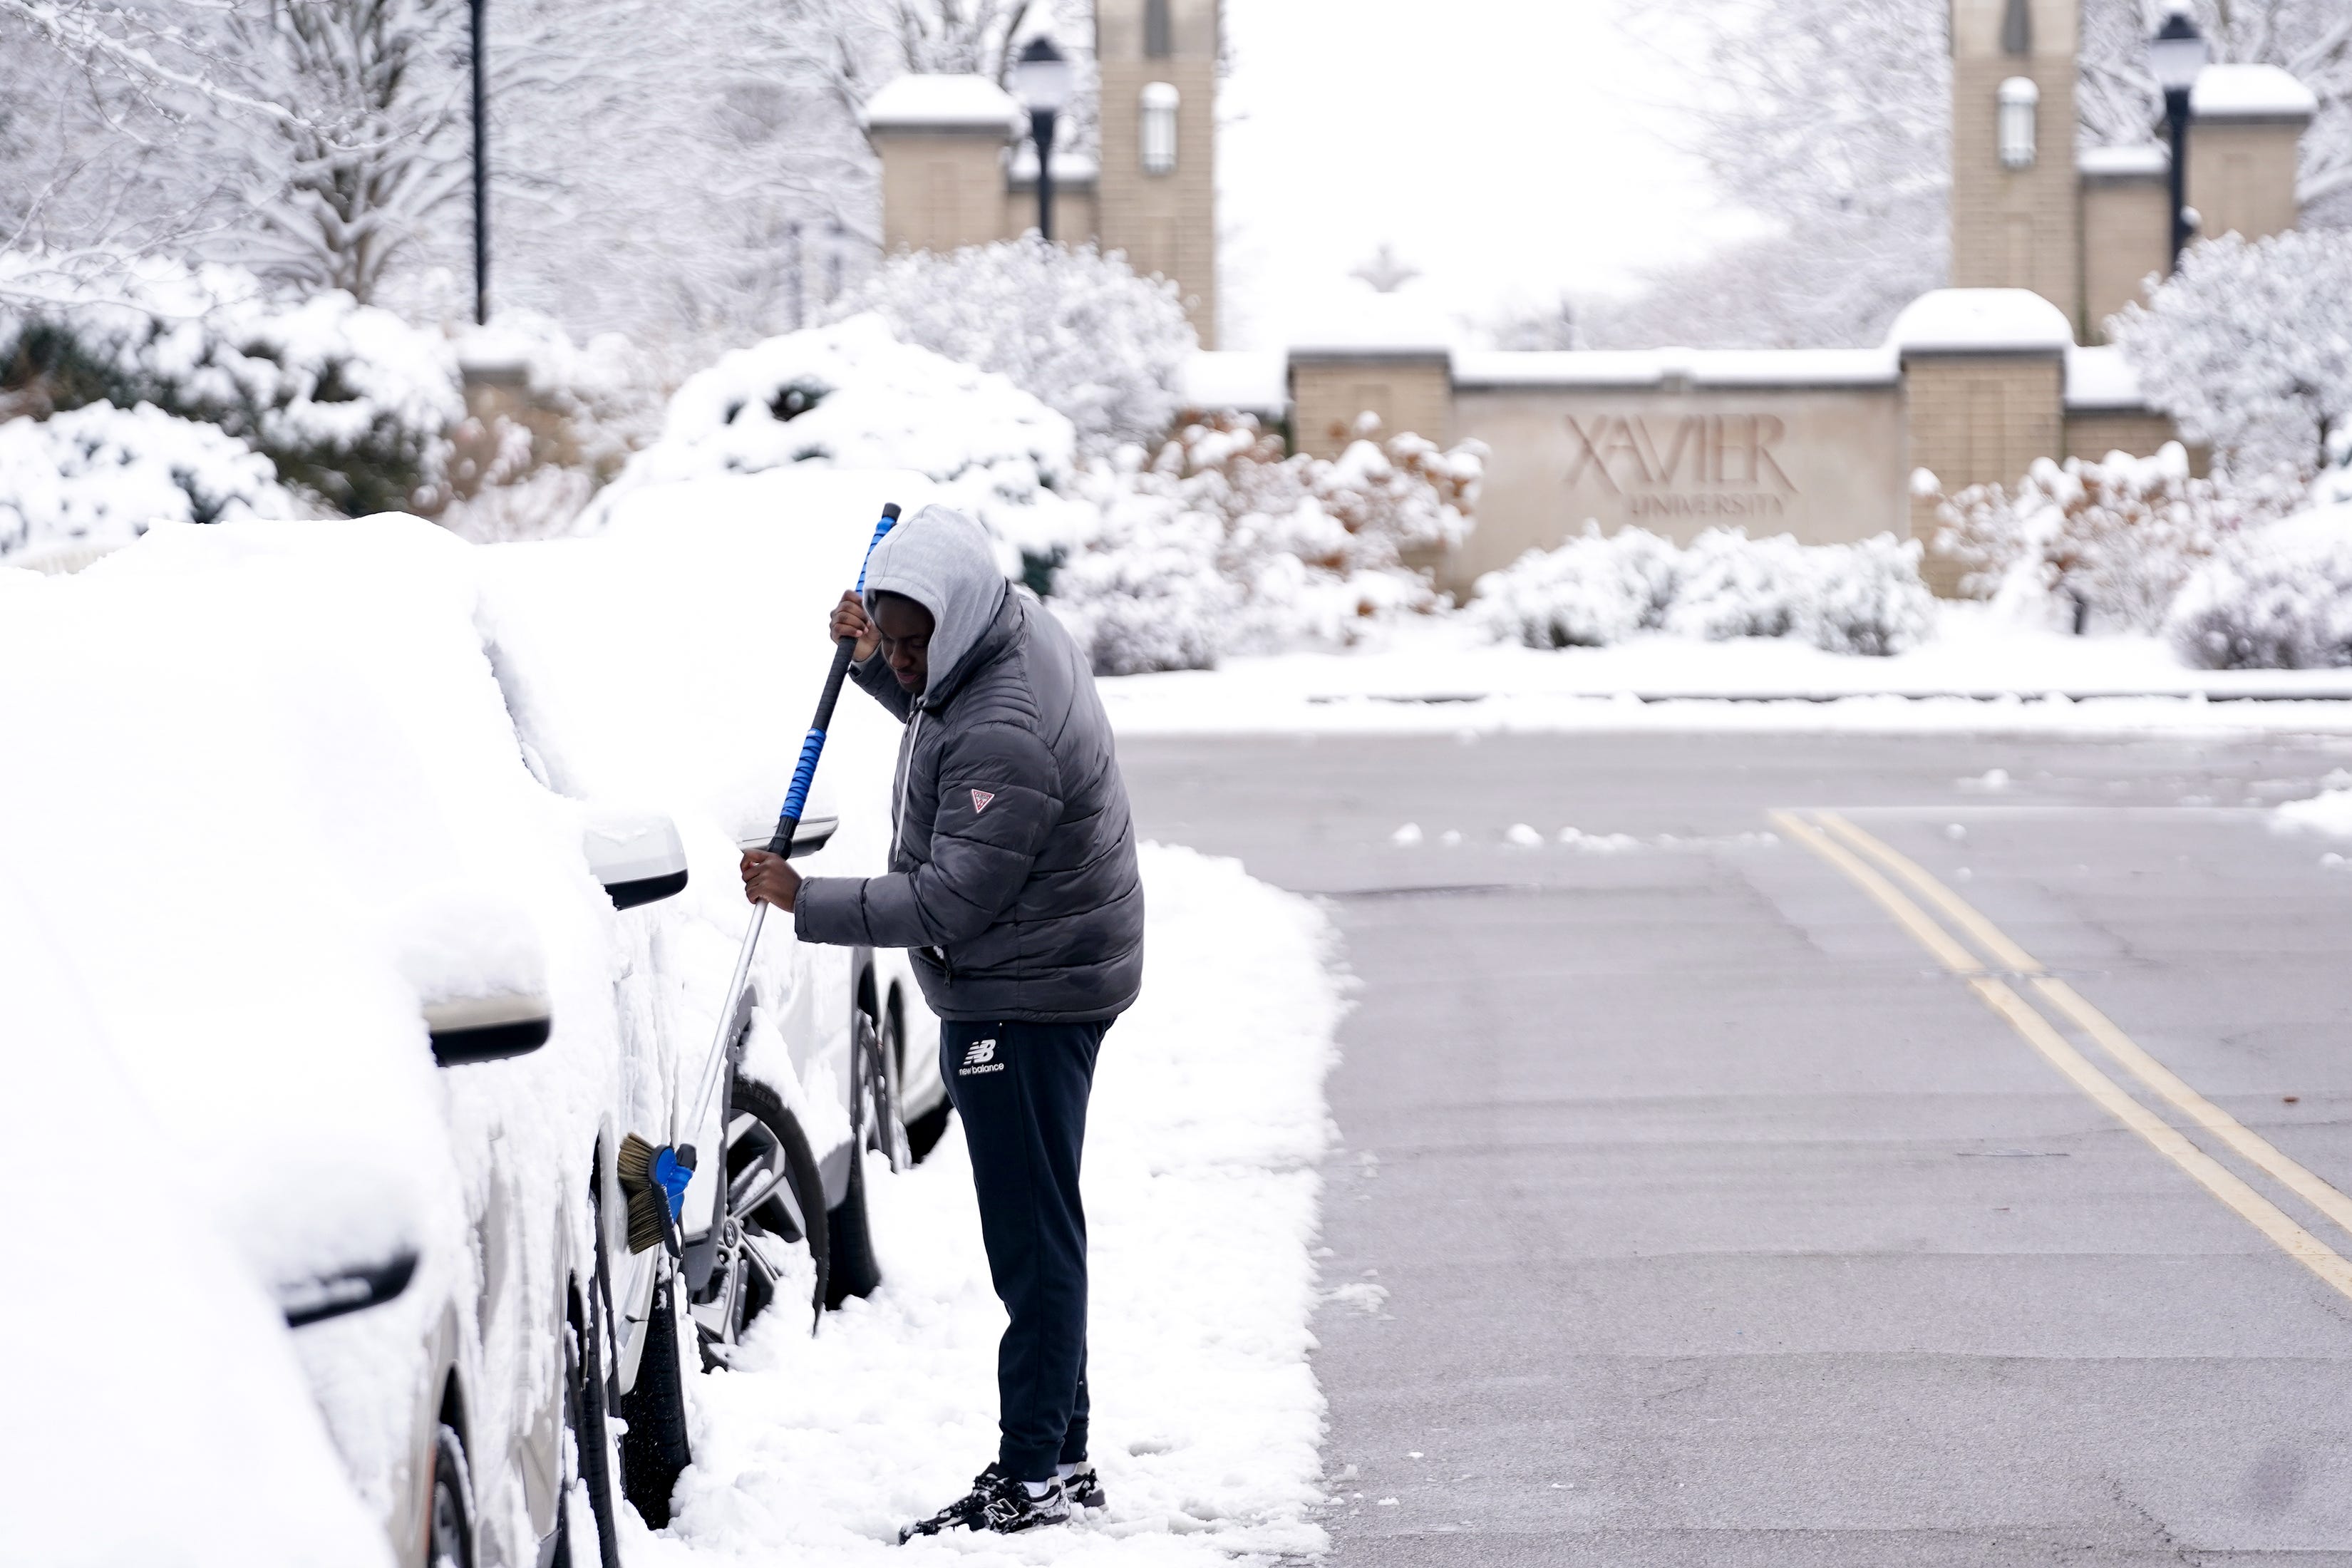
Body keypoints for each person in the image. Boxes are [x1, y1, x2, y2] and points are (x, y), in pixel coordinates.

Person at [739, 505, 1144, 1540]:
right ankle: (1062, 1461)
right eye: (892, 638)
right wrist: (872, 664)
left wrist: (804, 898)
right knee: (1041, 1225)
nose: (906, 661)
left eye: (914, 644)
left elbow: (953, 898)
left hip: (1027, 988)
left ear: (956, 619)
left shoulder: (1005, 723)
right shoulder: (997, 631)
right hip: (1047, 965)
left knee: (1031, 1240)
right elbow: (941, 714)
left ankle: (1032, 1475)